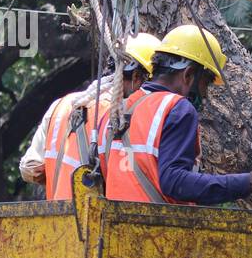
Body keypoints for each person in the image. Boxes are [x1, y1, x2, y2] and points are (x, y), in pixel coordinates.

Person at [102, 24, 252, 204]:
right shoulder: (177, 108)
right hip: (157, 229)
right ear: (188, 74)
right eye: (205, 83)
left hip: (113, 226)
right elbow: (174, 182)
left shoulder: (123, 107)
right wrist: (248, 182)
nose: (205, 94)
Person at [20, 34, 160, 200]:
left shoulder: (62, 105)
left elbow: (29, 168)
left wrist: (63, 177)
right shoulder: (124, 117)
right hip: (98, 221)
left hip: (58, 219)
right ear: (136, 77)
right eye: (150, 86)